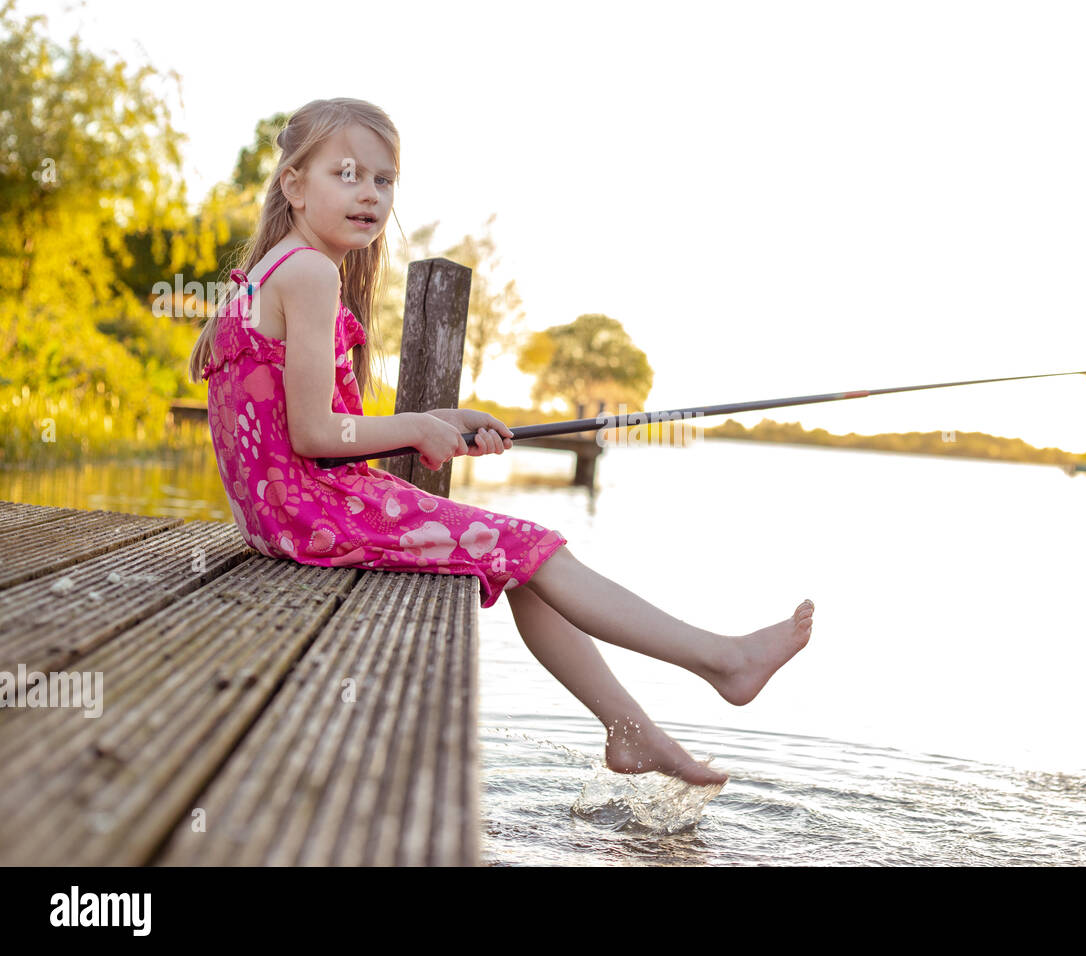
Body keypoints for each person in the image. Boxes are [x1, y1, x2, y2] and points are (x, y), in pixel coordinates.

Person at [188, 98, 814, 787]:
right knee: (531, 546)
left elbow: (301, 430)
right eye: (347, 174)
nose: (370, 193)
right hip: (310, 516)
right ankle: (721, 661)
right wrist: (416, 431)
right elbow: (314, 436)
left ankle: (630, 731)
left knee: (522, 556)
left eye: (384, 180)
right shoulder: (311, 274)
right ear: (295, 184)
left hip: (284, 515)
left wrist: (441, 418)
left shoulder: (278, 269)